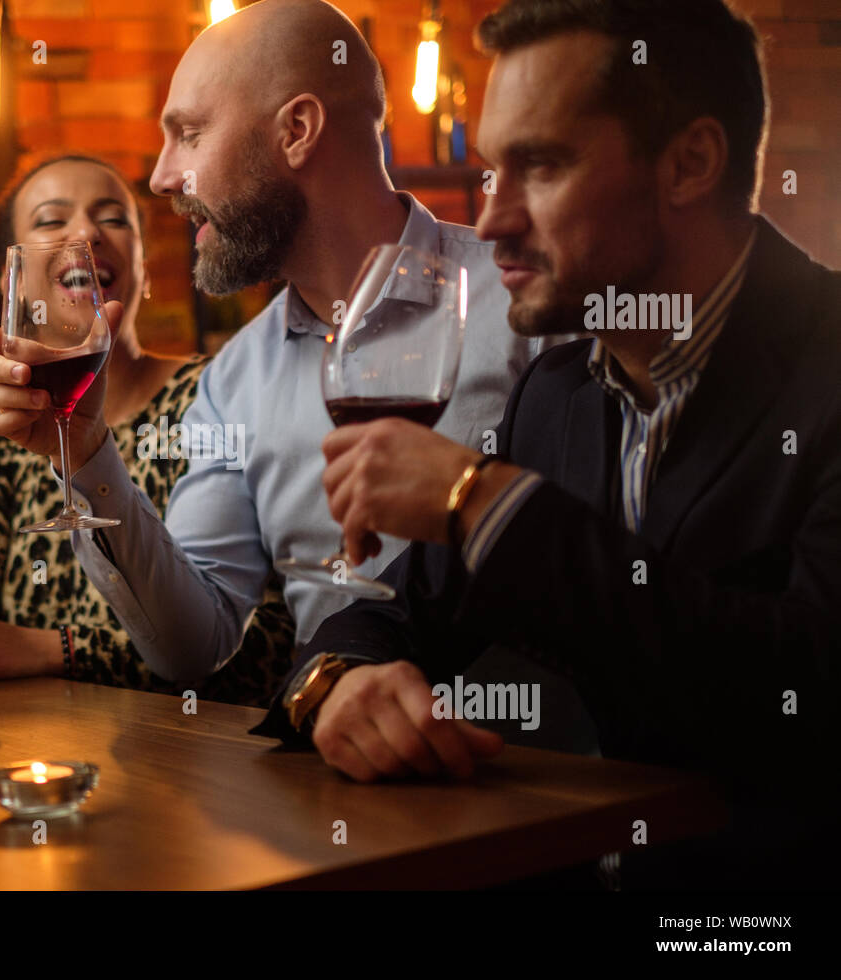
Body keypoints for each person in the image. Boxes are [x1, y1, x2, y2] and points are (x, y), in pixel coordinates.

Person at [257, 0, 841, 889]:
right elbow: (386, 614)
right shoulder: (560, 389)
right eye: (494, 171)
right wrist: (337, 684)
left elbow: (804, 690)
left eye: (541, 166)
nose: (490, 222)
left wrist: (485, 502)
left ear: (690, 163)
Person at [0, 0, 577, 724]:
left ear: (296, 131)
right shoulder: (235, 378)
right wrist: (86, 453)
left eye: (189, 135)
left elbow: (611, 565)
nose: (164, 178)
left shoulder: (528, 305)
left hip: (541, 799)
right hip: (331, 795)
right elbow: (192, 647)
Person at [0, 153, 296, 701]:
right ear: (12, 283)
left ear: (144, 270)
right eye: (52, 220)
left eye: (113, 218)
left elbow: (267, 640)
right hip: (32, 758)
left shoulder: (219, 396)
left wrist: (54, 650)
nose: (87, 232)